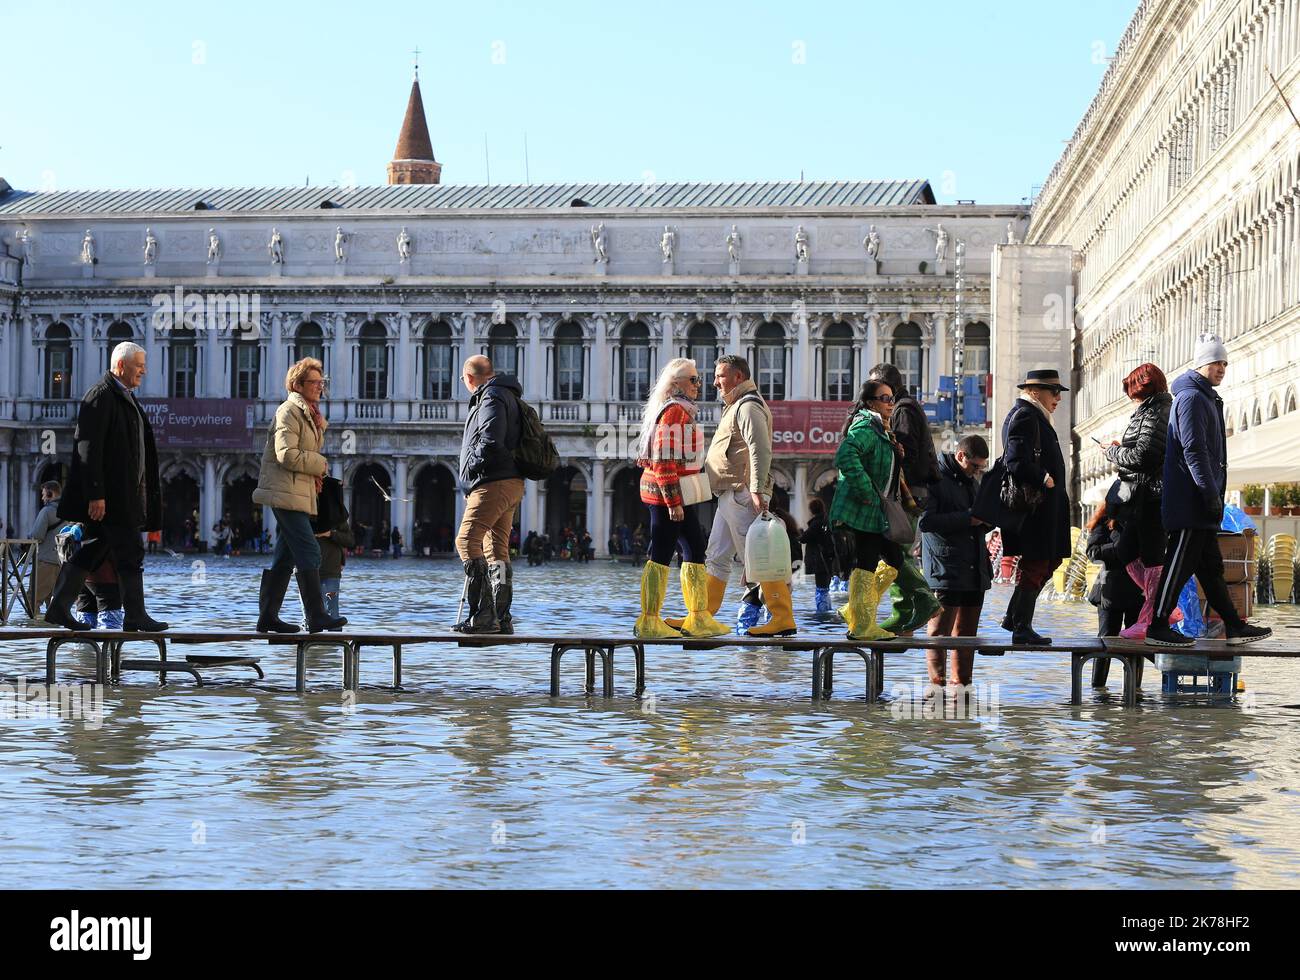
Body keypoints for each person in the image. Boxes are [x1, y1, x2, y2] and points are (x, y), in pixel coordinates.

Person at [1145, 338, 1271, 647]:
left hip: (1200, 500)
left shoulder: (1205, 398)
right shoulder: (1191, 398)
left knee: (1211, 569)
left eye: (1225, 364)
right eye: (1216, 363)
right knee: (1179, 563)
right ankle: (1157, 625)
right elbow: (1194, 450)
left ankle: (1233, 625)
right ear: (1201, 364)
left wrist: (1211, 494)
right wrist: (1209, 492)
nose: (1221, 369)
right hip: (1191, 501)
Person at [666, 354, 795, 637]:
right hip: (729, 494)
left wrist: (758, 489)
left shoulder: (748, 407)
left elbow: (759, 448)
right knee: (717, 556)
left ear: (738, 376)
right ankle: (700, 616)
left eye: (720, 376)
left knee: (761, 558)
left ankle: (782, 616)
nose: (714, 382)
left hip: (743, 493)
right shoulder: (736, 405)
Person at [45, 342, 168, 632]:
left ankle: (59, 607)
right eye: (139, 365)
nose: (144, 371)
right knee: (130, 553)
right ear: (122, 366)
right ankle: (135, 615)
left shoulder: (123, 396)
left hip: (122, 494)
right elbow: (88, 449)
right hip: (111, 497)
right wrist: (96, 494)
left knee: (93, 549)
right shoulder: (101, 396)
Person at [634, 358, 729, 638]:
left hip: (677, 494)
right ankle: (650, 620)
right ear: (676, 384)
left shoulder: (681, 410)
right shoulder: (675, 412)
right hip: (668, 496)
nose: (699, 385)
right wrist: (674, 503)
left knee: (695, 548)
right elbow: (664, 461)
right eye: (693, 380)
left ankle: (698, 617)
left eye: (698, 379)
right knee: (661, 554)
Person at [251, 356, 347, 634]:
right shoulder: (289, 412)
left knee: (284, 557)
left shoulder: (309, 414)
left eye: (322, 382)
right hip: (285, 492)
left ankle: (267, 617)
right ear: (297, 384)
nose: (320, 387)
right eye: (314, 382)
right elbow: (286, 455)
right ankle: (317, 615)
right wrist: (319, 463)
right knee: (309, 550)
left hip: (298, 492)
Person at [831, 379, 919, 641]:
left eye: (892, 398)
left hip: (875, 509)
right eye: (885, 398)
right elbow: (845, 455)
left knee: (893, 560)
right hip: (865, 508)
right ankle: (861, 625)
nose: (891, 404)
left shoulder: (881, 428)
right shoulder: (867, 426)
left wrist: (896, 453)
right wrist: (866, 491)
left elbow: (880, 465)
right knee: (869, 563)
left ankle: (856, 613)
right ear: (870, 402)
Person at [990, 368, 1072, 645]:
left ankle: (1014, 618)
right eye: (1054, 392)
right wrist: (1044, 478)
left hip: (1045, 508)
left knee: (1049, 561)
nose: (1058, 398)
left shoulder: (1033, 415)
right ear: (1035, 391)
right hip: (1036, 509)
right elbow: (1014, 460)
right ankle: (1021, 628)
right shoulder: (1025, 415)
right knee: (1036, 564)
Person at [865, 363, 941, 633]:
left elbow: (905, 452)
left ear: (888, 388)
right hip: (909, 490)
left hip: (908, 492)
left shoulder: (903, 409)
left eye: (875, 388)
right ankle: (903, 609)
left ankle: (921, 601)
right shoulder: (904, 407)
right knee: (896, 551)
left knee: (895, 550)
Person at [453, 355, 524, 634]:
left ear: (469, 379)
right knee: (495, 548)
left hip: (492, 481)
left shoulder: (490, 397)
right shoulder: (508, 394)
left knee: (467, 542)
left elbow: (490, 439)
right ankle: (501, 617)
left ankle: (483, 615)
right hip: (510, 482)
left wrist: (471, 469)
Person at [1102, 363, 1173, 640]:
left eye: (1133, 391)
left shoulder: (1157, 412)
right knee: (1126, 550)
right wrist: (1121, 451)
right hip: (1141, 496)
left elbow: (1145, 456)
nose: (1131, 398)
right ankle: (1160, 603)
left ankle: (1157, 611)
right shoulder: (1148, 411)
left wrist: (1113, 453)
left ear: (1143, 387)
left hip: (1151, 496)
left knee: (1153, 558)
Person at [919, 434, 992, 690]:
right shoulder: (935, 480)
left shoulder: (973, 482)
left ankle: (962, 686)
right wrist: (967, 518)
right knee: (939, 633)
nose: (977, 472)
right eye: (975, 466)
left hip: (975, 568)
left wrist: (988, 519)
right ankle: (936, 687)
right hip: (945, 569)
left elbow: (978, 518)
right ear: (961, 456)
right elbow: (925, 522)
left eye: (981, 467)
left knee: (967, 635)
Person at [1084, 499, 1144, 687]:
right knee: (1106, 639)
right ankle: (1098, 689)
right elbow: (1092, 552)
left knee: (1136, 643)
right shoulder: (1104, 520)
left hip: (1138, 589)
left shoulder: (1142, 520)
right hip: (1110, 590)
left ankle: (1135, 689)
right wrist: (1121, 548)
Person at [302, 476, 354, 630]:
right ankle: (312, 650)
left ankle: (333, 651)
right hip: (308, 571)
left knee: (333, 614)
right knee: (309, 615)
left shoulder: (338, 518)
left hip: (331, 571)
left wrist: (330, 534)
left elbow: (350, 540)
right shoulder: (303, 514)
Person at [28, 481, 63, 617]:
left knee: (33, 601)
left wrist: (29, 536)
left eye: (43, 494)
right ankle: (52, 631)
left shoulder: (47, 511)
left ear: (50, 493)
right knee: (54, 603)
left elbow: (37, 535)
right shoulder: (69, 511)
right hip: (62, 563)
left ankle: (34, 632)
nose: (42, 498)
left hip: (45, 561)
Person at [799, 498, 836, 613]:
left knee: (820, 588)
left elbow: (803, 538)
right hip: (828, 559)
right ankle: (827, 610)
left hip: (819, 560)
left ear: (812, 510)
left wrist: (800, 532)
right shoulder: (827, 521)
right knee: (825, 588)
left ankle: (822, 613)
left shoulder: (816, 523)